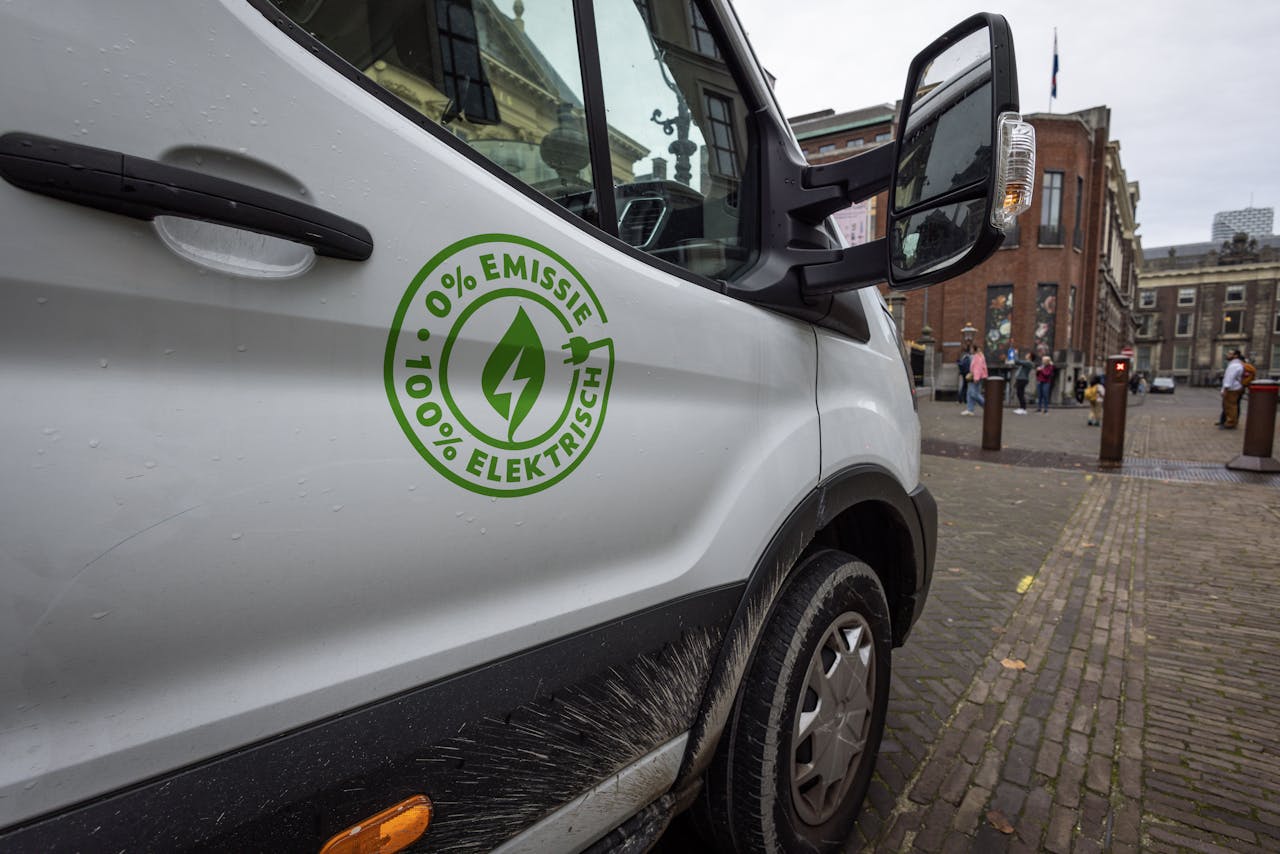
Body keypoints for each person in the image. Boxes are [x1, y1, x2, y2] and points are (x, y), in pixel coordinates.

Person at [1220, 349, 1245, 429]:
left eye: (1230, 354)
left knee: (1230, 406)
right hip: (1235, 388)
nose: (1227, 355)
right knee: (1231, 405)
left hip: (1232, 389)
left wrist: (1225, 389)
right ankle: (1230, 421)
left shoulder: (1234, 366)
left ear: (1235, 355)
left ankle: (1231, 423)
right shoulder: (1237, 364)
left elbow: (1229, 378)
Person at [962, 346, 987, 415]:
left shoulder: (977, 357)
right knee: (970, 393)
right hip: (976, 376)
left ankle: (987, 407)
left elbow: (977, 368)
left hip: (975, 377)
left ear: (974, 349)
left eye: (971, 349)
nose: (970, 350)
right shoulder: (979, 356)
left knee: (974, 393)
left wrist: (976, 378)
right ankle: (970, 409)